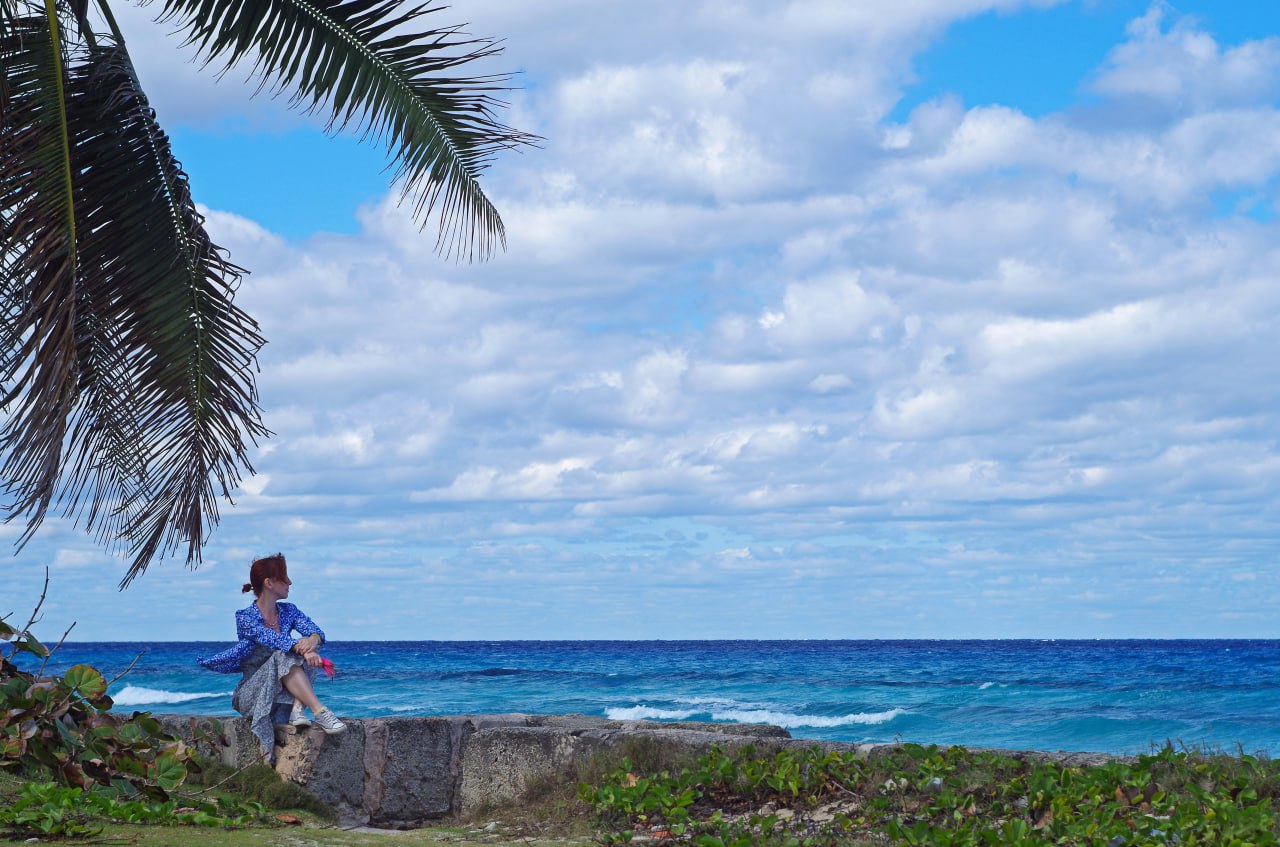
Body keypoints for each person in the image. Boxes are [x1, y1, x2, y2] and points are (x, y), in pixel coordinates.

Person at [197, 553, 345, 761]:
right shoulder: (246, 617)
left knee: (305, 653)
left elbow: (316, 632)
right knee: (282, 655)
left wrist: (311, 642)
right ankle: (319, 712)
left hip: (280, 692)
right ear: (269, 583)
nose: (290, 582)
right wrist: (301, 648)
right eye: (284, 577)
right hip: (253, 693)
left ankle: (297, 708)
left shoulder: (288, 611)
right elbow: (271, 639)